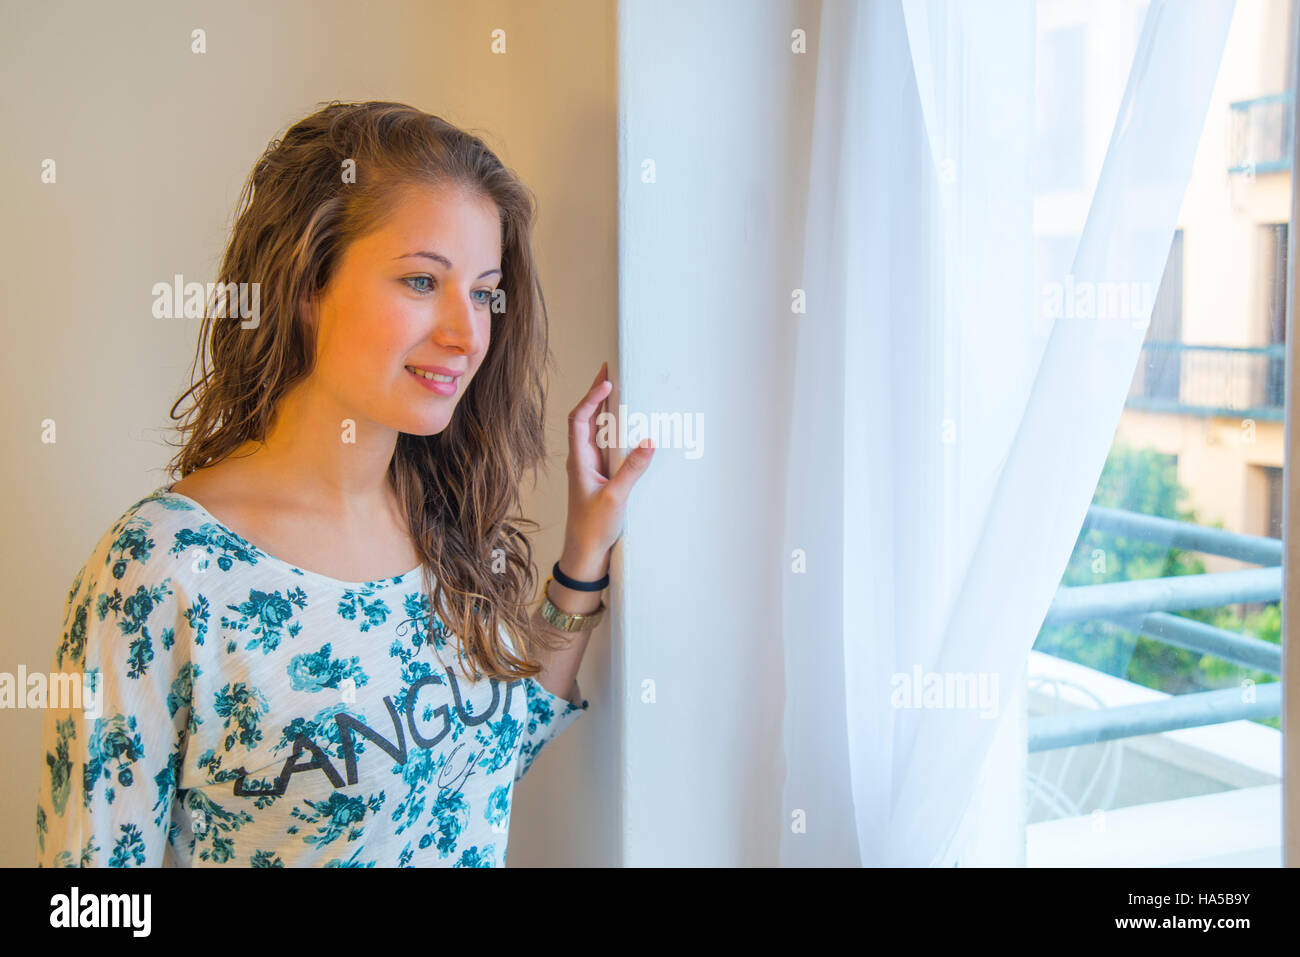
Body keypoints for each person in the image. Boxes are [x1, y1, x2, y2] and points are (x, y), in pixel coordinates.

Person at [34, 100, 653, 867]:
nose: (468, 333)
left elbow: (482, 757)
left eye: (485, 291)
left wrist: (584, 555)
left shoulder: (444, 520)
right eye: (424, 280)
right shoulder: (161, 572)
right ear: (306, 284)